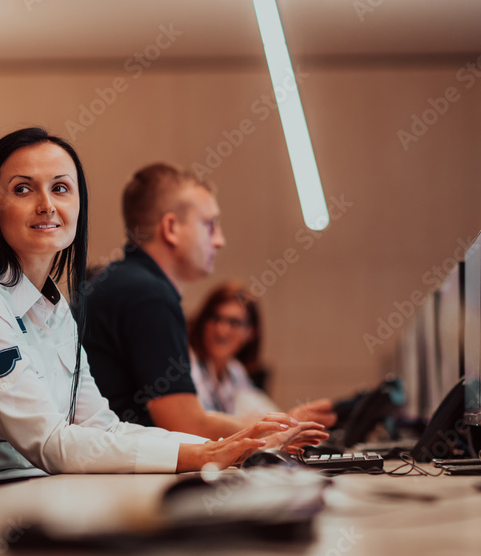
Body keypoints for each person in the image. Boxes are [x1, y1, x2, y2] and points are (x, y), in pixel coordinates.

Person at [0, 129, 325, 499]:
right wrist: (210, 453)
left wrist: (232, 444)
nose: (47, 204)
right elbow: (49, 442)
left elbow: (104, 425)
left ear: (79, 205)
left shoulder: (51, 307)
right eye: (23, 189)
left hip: (32, 488)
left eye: (61, 188)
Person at [82, 163, 335, 439]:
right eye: (210, 224)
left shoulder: (123, 282)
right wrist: (280, 431)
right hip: (116, 476)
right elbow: (186, 424)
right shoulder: (148, 294)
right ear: (171, 228)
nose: (219, 240)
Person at [188, 281, 286, 422]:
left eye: (234, 322)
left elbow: (262, 411)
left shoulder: (235, 370)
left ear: (251, 332)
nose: (221, 330)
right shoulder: (186, 366)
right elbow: (196, 425)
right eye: (215, 319)